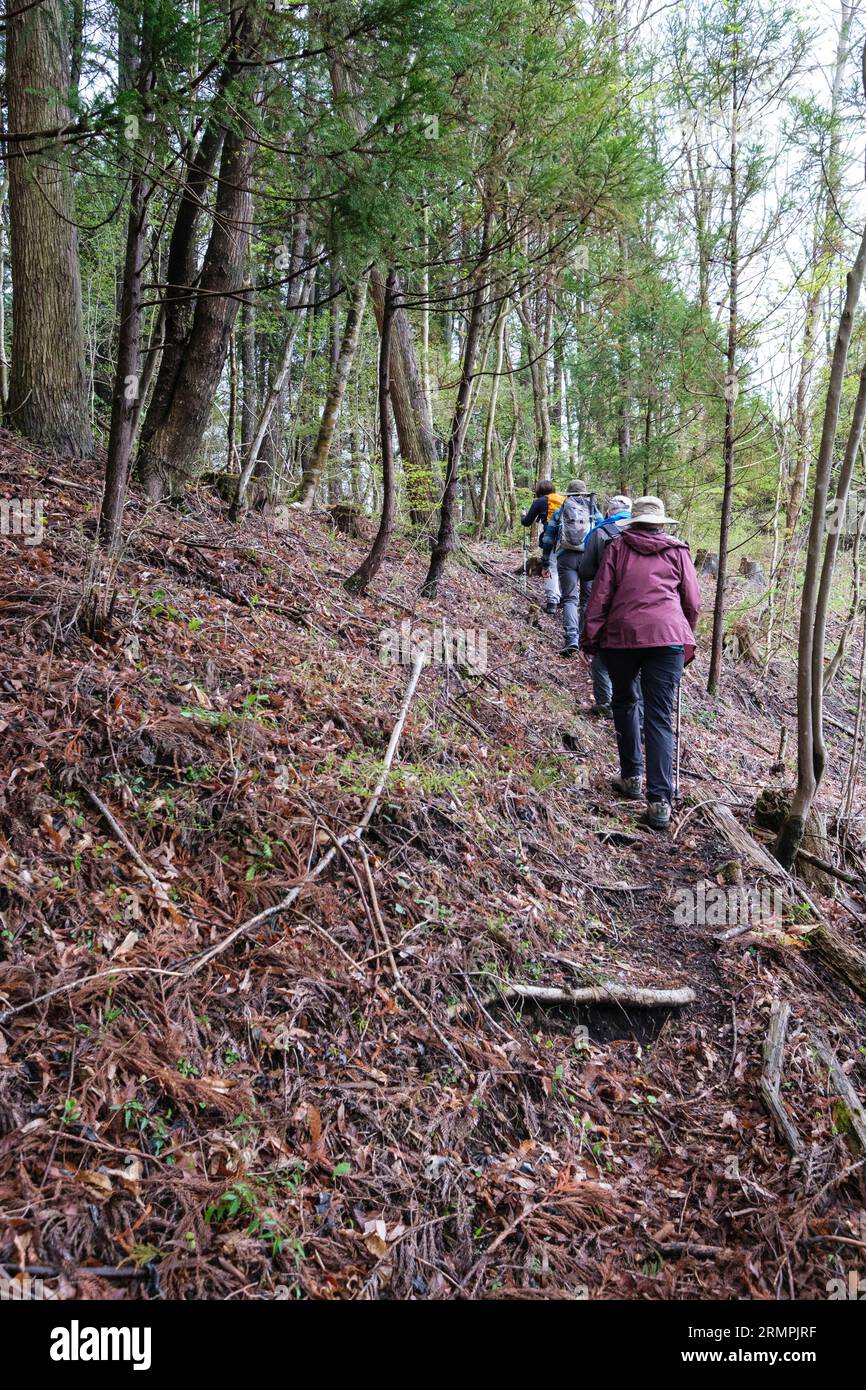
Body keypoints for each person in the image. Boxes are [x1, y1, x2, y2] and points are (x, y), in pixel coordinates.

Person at [580, 495, 700, 831]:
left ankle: (632, 776)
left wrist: (591, 638)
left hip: (622, 638)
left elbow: (600, 596)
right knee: (660, 717)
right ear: (661, 524)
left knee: (624, 701)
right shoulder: (678, 552)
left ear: (634, 521)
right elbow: (692, 602)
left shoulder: (617, 548)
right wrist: (682, 632)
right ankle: (660, 800)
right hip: (668, 640)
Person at [578, 494, 632, 716]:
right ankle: (631, 708)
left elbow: (585, 571)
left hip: (607, 600)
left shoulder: (601, 532)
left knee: (601, 654)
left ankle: (605, 703)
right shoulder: (648, 534)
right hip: (639, 605)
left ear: (610, 511)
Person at [542, 479, 601, 656]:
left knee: (569, 598)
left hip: (566, 557)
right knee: (586, 598)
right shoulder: (593, 509)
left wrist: (546, 561)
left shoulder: (562, 509)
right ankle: (585, 637)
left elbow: (548, 537)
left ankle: (571, 638)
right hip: (589, 557)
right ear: (584, 492)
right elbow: (602, 532)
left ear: (569, 493)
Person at [521, 480, 564, 614]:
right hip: (570, 539)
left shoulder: (540, 501)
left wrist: (523, 515)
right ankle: (564, 598)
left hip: (551, 539)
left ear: (539, 490)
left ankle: (552, 603)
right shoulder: (564, 499)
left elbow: (527, 522)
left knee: (551, 568)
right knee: (563, 569)